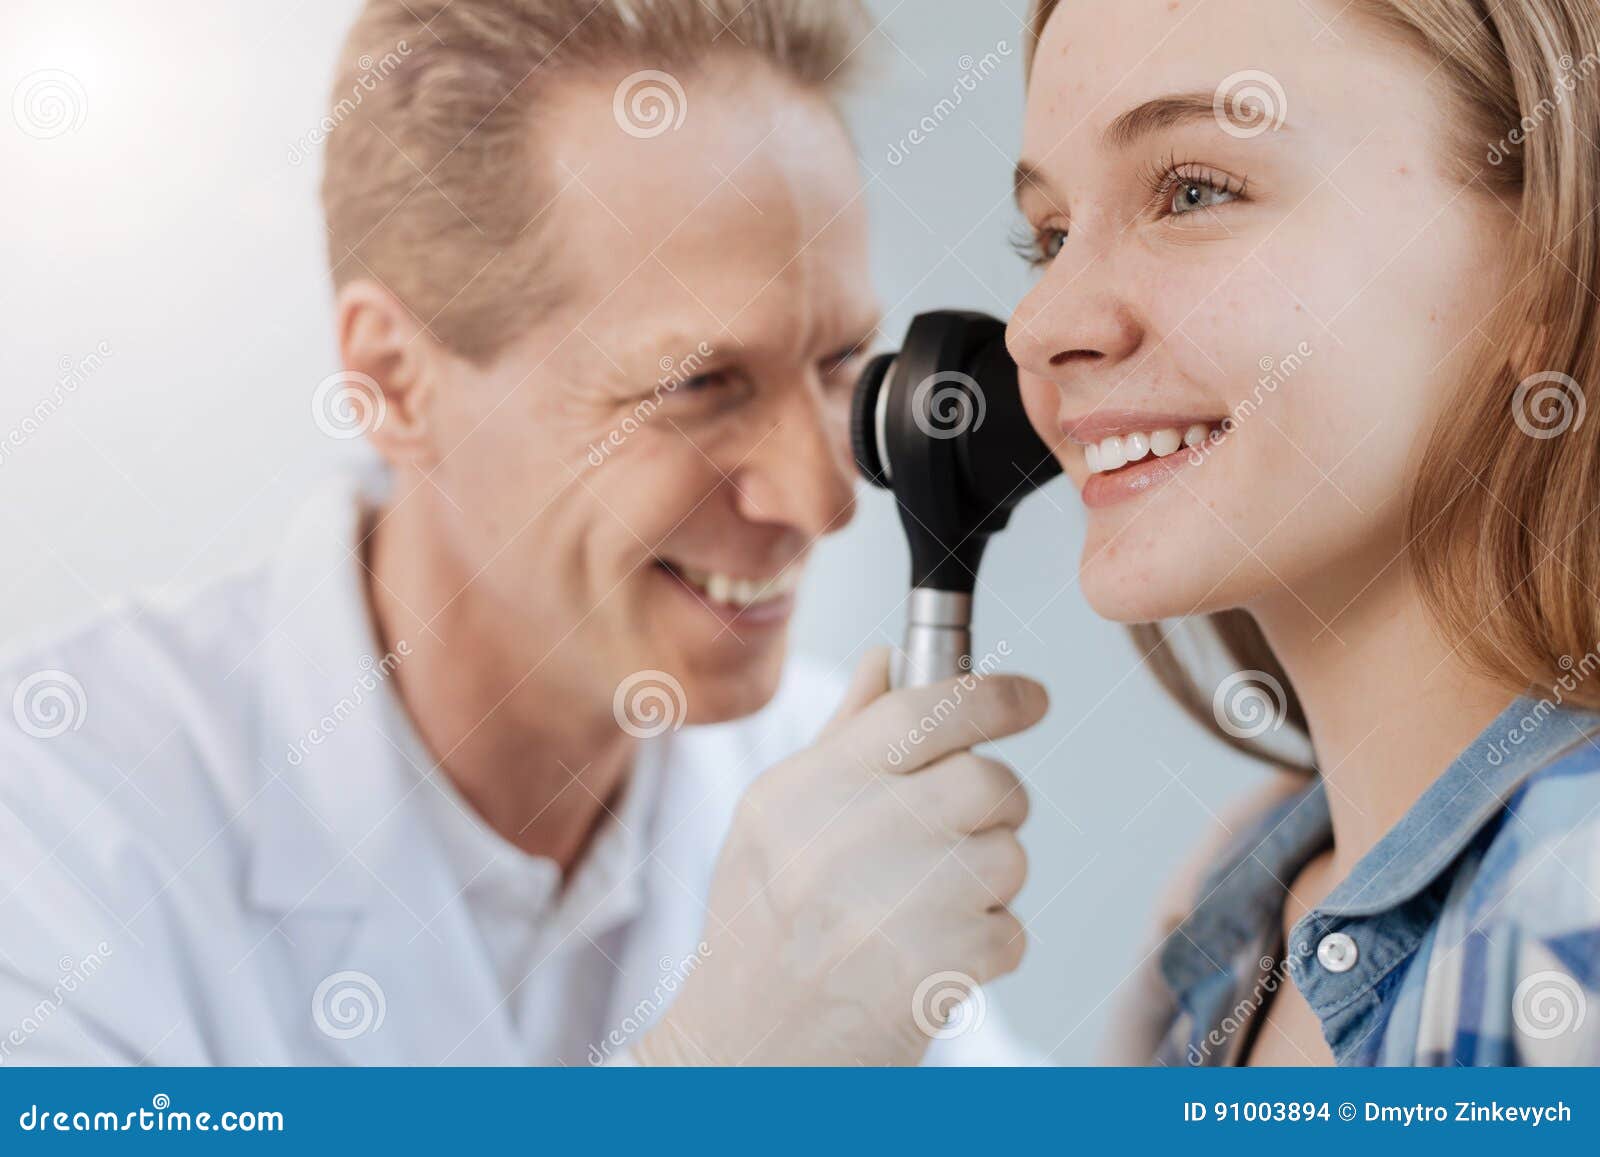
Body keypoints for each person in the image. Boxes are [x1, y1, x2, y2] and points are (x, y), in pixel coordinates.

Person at [0, 0, 1045, 1067]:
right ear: (396, 380)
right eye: (700, 384)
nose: (820, 498)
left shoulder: (816, 791)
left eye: (837, 363)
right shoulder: (51, 819)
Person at [1009, 0, 1600, 1065]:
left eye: (1193, 192)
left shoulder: (1573, 908)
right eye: (1048, 237)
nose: (1038, 324)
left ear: (1546, 269)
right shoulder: (1227, 921)